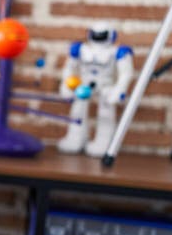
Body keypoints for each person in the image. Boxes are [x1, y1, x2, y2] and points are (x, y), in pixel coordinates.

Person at [57, 21, 134, 157]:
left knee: (105, 114)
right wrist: (66, 85)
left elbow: (126, 73)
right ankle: (76, 138)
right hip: (83, 85)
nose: (98, 37)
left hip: (105, 86)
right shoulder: (80, 49)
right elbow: (69, 68)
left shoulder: (117, 52)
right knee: (77, 112)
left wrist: (119, 90)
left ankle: (103, 142)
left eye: (102, 35)